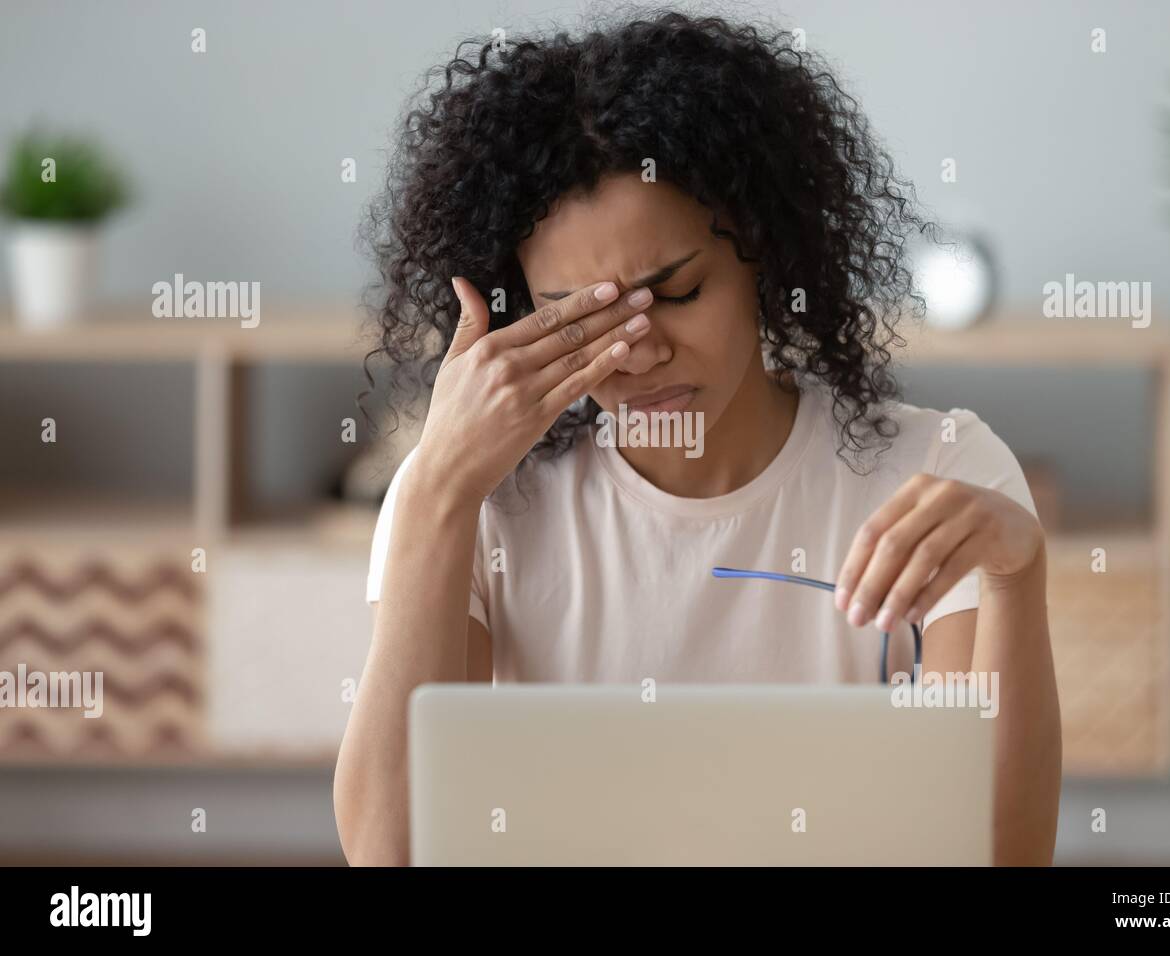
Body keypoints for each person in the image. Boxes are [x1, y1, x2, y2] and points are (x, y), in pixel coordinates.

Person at [335, 9, 1060, 866]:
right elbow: (391, 851)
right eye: (577, 317)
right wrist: (435, 491)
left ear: (765, 254)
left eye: (675, 293)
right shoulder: (476, 506)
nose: (637, 353)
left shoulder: (937, 474)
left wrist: (1017, 578)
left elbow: (998, 856)